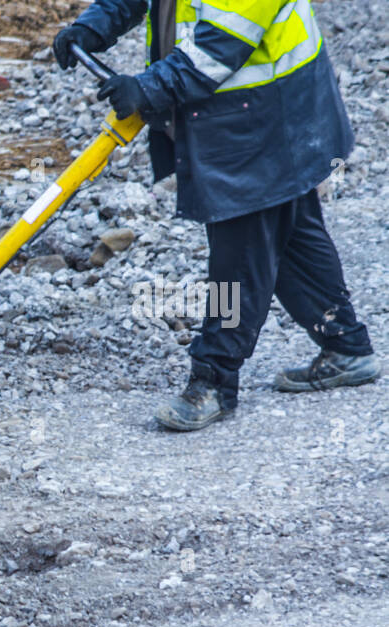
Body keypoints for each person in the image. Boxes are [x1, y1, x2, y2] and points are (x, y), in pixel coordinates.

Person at [53, 0, 378, 430]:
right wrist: (94, 26)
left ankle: (213, 381)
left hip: (267, 110)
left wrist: (148, 87)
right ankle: (346, 346)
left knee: (236, 257)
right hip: (250, 106)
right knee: (291, 230)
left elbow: (220, 44)